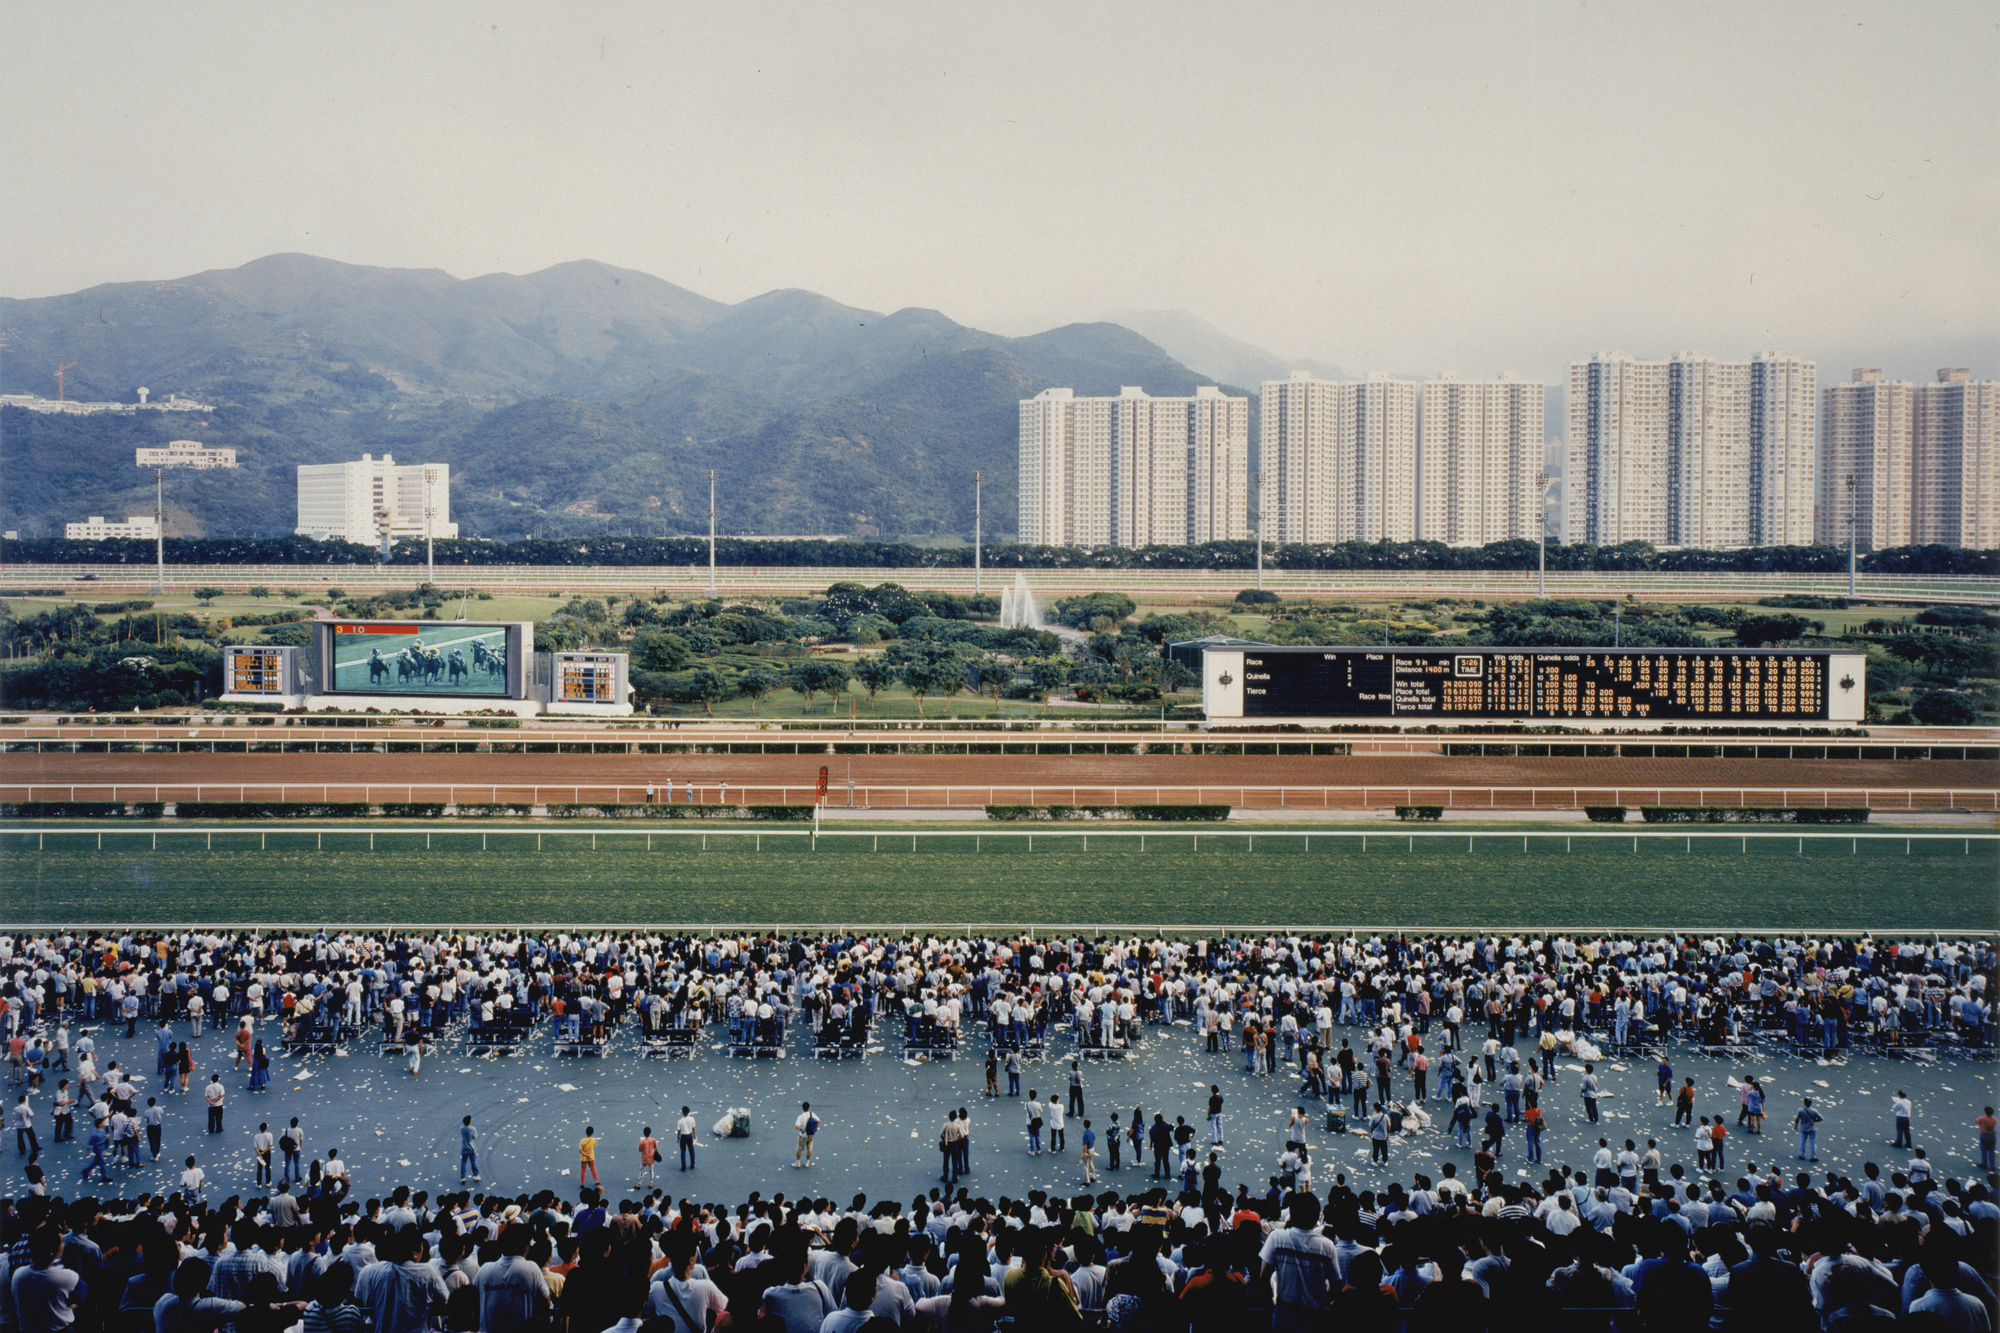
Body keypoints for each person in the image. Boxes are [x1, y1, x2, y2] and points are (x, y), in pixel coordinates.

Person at [1259, 1192, 1337, 1333]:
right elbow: (1336, 1287)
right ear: (1316, 1217)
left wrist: (1272, 1307)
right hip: (1315, 1317)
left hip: (1284, 1314)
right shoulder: (1326, 1245)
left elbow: (1263, 1277)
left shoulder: (1277, 1237)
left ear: (1292, 1215)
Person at [472, 1224, 551, 1333]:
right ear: (526, 1246)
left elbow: (473, 1303)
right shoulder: (531, 1269)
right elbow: (546, 1303)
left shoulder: (484, 1270)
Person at [1794, 1096, 1821, 1162]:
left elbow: (1797, 1118)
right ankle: (1813, 1156)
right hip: (1812, 1128)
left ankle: (1802, 1155)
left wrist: (1795, 1125)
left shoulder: (1800, 1110)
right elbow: (1821, 1118)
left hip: (1803, 1128)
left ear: (1804, 1103)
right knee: (1813, 1142)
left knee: (1802, 1141)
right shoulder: (1814, 1111)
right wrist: (1815, 1120)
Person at [794, 1101, 818, 1167]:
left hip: (803, 1136)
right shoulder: (812, 1114)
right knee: (809, 1149)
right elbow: (818, 1120)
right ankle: (807, 1162)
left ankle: (798, 1162)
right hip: (810, 1135)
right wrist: (814, 1128)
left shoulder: (800, 1117)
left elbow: (796, 1126)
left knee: (799, 1149)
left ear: (802, 1108)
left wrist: (801, 1129)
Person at [676, 1106, 697, 1171]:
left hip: (683, 1136)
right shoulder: (692, 1119)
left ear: (682, 1112)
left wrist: (678, 1137)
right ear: (688, 1112)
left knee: (683, 1151)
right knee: (691, 1150)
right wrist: (694, 1135)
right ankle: (692, 1163)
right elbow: (693, 1128)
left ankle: (683, 1166)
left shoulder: (680, 1121)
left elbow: (679, 1130)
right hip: (689, 1135)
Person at [459, 1115, 479, 1181]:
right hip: (471, 1148)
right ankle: (476, 1174)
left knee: (463, 1162)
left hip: (464, 1147)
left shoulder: (462, 1128)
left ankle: (463, 1177)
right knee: (473, 1162)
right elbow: (475, 1136)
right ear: (470, 1121)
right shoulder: (472, 1129)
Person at [1978, 1106, 1997, 1173]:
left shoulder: (1982, 1118)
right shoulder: (1994, 1119)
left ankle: (1984, 1164)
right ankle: (1992, 1166)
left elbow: (1977, 1121)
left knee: (1984, 1149)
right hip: (1992, 1135)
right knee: (1991, 1151)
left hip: (1984, 1134)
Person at [1080, 1120, 1097, 1184]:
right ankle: (1093, 1176)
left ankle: (1087, 1181)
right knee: (1090, 1162)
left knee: (1085, 1165)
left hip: (1088, 1150)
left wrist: (1083, 1153)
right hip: (1092, 1148)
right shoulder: (1092, 1131)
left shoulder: (1085, 1134)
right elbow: (1094, 1139)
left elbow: (1085, 1145)